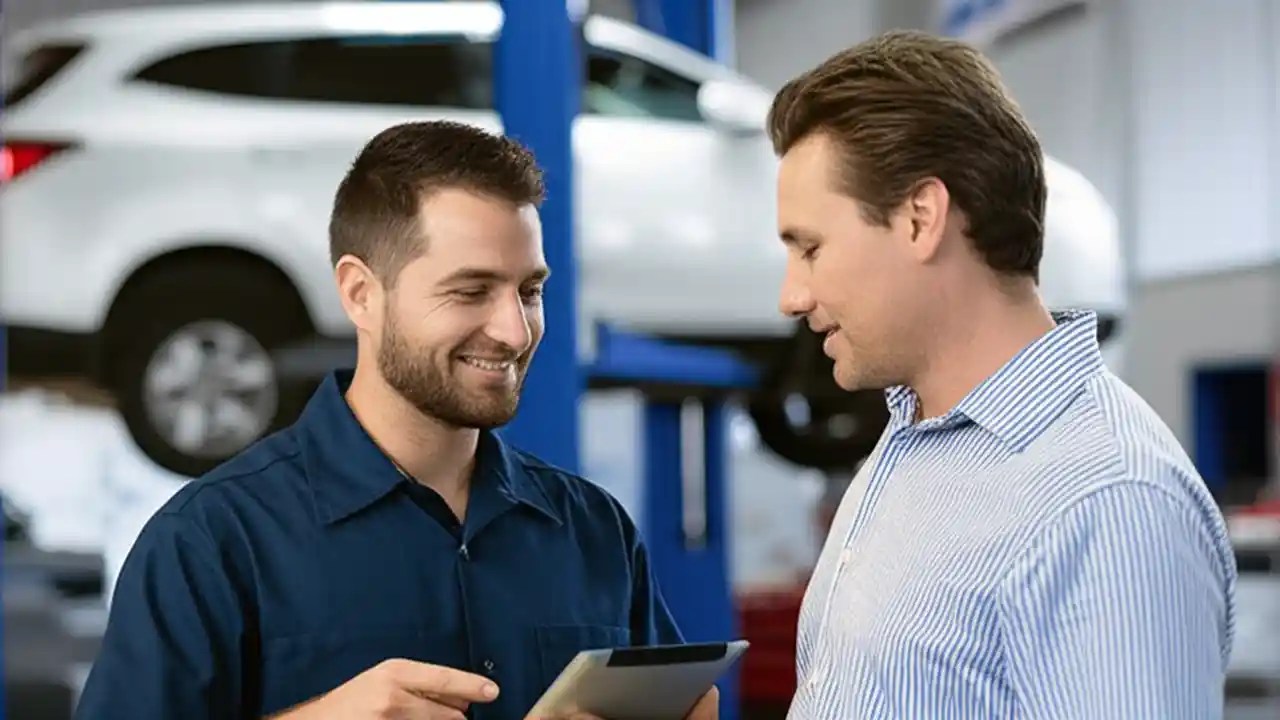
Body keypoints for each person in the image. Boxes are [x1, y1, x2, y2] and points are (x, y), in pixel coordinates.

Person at [74, 120, 717, 720]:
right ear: (360, 294)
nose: (514, 331)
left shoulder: (594, 532)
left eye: (530, 291)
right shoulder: (212, 542)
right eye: (470, 291)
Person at [767, 30, 1237, 718]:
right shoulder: (910, 447)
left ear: (920, 218)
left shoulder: (1106, 501)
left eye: (810, 248)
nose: (791, 296)